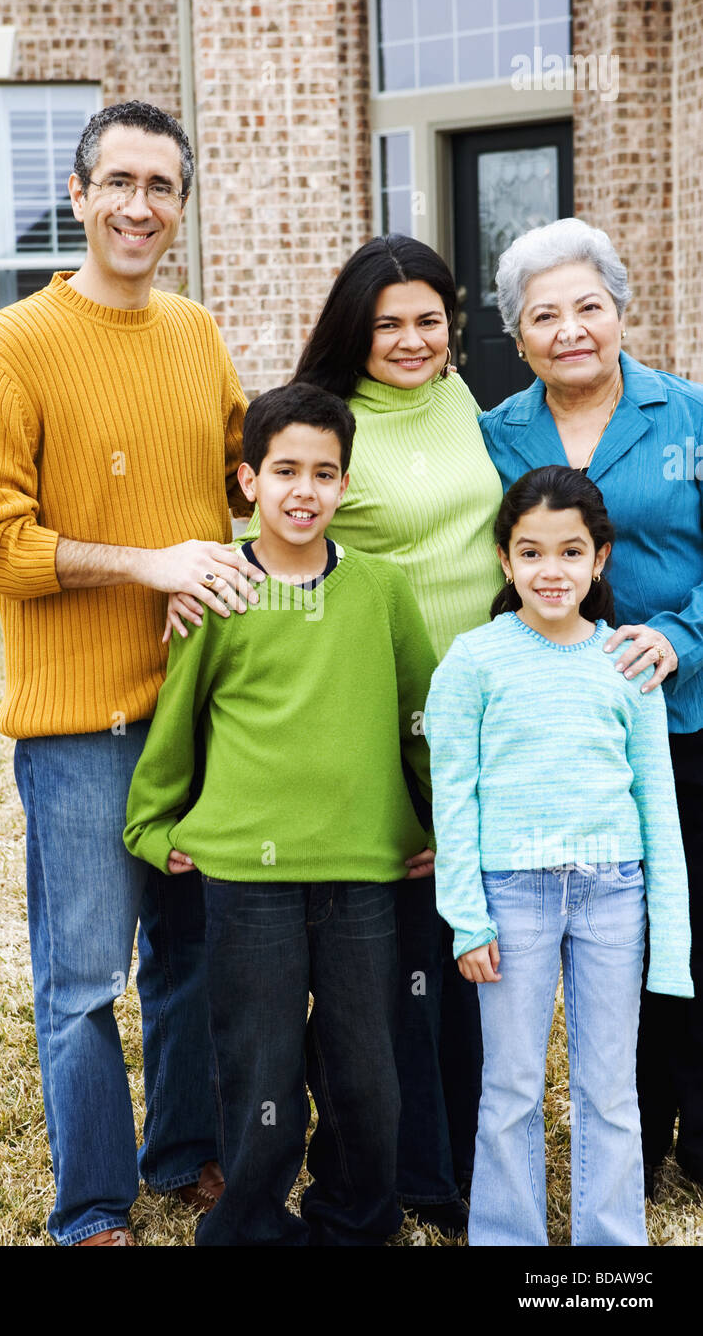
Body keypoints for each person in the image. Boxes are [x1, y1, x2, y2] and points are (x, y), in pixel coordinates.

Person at [0, 101, 265, 1246]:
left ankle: (185, 1152)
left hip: (200, 708)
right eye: (117, 182)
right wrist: (147, 562)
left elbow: (244, 480)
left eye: (161, 186)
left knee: (190, 953)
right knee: (84, 978)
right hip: (79, 725)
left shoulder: (197, 332)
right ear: (76, 196)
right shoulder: (13, 348)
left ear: (181, 205)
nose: (139, 205)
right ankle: (90, 1208)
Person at [168, 236, 503, 1233]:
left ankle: (434, 1166)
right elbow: (265, 538)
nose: (410, 339)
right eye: (387, 321)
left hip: (473, 713)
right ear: (351, 328)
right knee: (373, 983)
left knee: (444, 957)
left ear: (452, 326)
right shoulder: (320, 422)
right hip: (361, 723)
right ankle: (379, 1170)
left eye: (428, 319)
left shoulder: (459, 401)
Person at [125, 383, 437, 1245]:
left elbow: (424, 722)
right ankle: (253, 1226)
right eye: (286, 470)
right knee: (260, 1064)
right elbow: (178, 718)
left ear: (345, 485)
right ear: (249, 478)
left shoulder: (381, 590)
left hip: (364, 870)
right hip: (246, 877)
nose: (306, 489)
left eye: (326, 472)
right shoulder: (218, 591)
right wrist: (153, 825)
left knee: (364, 1067)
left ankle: (355, 1221)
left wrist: (440, 826)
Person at [481, 217, 703, 1198]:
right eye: (543, 315)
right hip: (565, 737)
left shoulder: (687, 418)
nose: (569, 328)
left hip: (686, 714)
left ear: (620, 310)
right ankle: (637, 1143)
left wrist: (680, 637)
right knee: (623, 938)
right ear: (516, 333)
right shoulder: (493, 435)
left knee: (690, 925)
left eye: (587, 306)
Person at [425, 465, 693, 1246]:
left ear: (599, 559)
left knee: (609, 1088)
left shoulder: (627, 663)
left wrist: (669, 945)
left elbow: (658, 808)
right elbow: (455, 796)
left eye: (570, 553)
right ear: (505, 561)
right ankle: (508, 1237)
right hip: (512, 898)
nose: (552, 571)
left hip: (614, 896)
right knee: (509, 1084)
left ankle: (611, 1247)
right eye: (531, 553)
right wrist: (467, 919)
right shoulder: (473, 662)